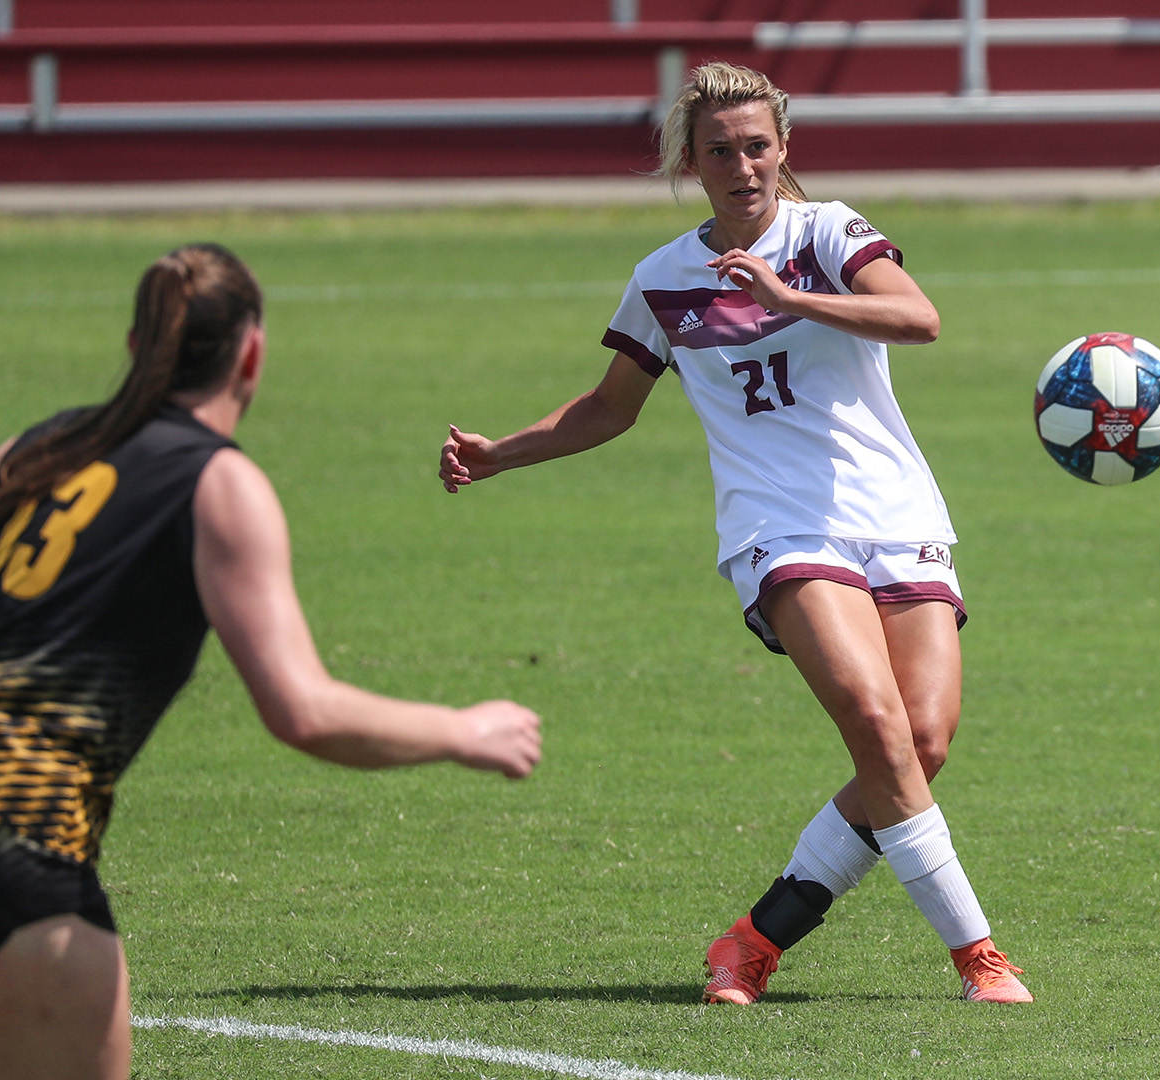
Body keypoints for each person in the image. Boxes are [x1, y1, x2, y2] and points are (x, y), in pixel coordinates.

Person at [439, 61, 1030, 1006]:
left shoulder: (829, 231)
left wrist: (790, 297)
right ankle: (980, 956)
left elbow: (917, 319)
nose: (743, 165)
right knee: (875, 725)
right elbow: (607, 408)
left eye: (757, 146)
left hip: (894, 509)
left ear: (783, 149)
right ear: (691, 160)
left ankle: (754, 940)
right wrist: (500, 454)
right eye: (720, 151)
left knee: (921, 741)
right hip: (780, 526)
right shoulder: (663, 279)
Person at [0, 243, 543, 1080]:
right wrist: (462, 729)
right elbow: (303, 711)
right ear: (251, 354)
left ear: (134, 345)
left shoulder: (38, 446)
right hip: (8, 842)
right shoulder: (218, 483)